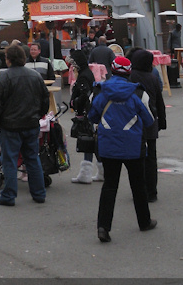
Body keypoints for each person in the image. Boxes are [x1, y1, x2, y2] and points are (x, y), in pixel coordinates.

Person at [87, 55, 156, 242]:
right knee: (138, 185)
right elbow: (150, 120)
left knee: (109, 186)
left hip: (108, 145)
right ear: (129, 72)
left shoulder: (100, 91)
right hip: (134, 146)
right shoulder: (139, 93)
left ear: (112, 69)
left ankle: (103, 227)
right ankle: (144, 221)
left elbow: (92, 116)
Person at [0, 41, 51, 206]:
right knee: (32, 159)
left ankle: (8, 195)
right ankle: (39, 193)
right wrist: (38, 115)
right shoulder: (35, 76)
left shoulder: (3, 78)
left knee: (9, 160)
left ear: (8, 59)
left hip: (10, 126)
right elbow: (45, 99)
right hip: (30, 123)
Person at [128, 49, 167, 202]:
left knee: (137, 158)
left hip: (134, 121)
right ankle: (152, 191)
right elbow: (159, 102)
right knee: (151, 157)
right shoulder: (153, 78)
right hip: (151, 120)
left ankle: (140, 189)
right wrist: (162, 121)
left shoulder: (131, 77)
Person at [68, 48, 102, 184]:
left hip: (86, 113)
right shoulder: (87, 73)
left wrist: (74, 102)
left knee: (88, 141)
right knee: (92, 142)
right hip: (91, 112)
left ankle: (86, 173)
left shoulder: (83, 76)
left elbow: (84, 95)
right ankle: (101, 170)